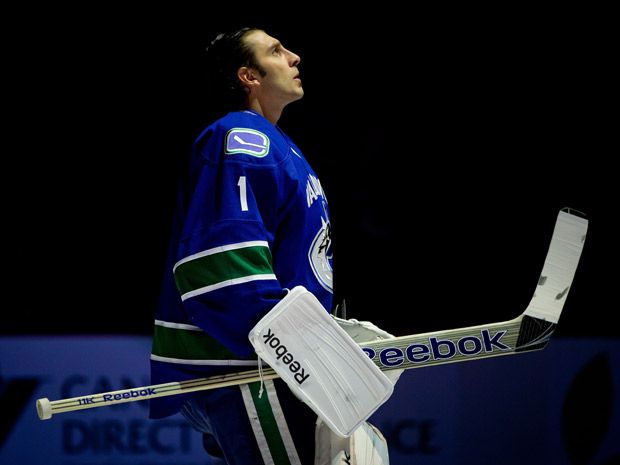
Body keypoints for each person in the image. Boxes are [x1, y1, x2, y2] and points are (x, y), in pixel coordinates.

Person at [149, 27, 395, 464]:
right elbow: (223, 269)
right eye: (276, 51)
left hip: (269, 366)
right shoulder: (241, 137)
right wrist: (305, 351)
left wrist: (326, 334)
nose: (295, 56)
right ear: (249, 76)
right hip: (252, 371)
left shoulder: (281, 146)